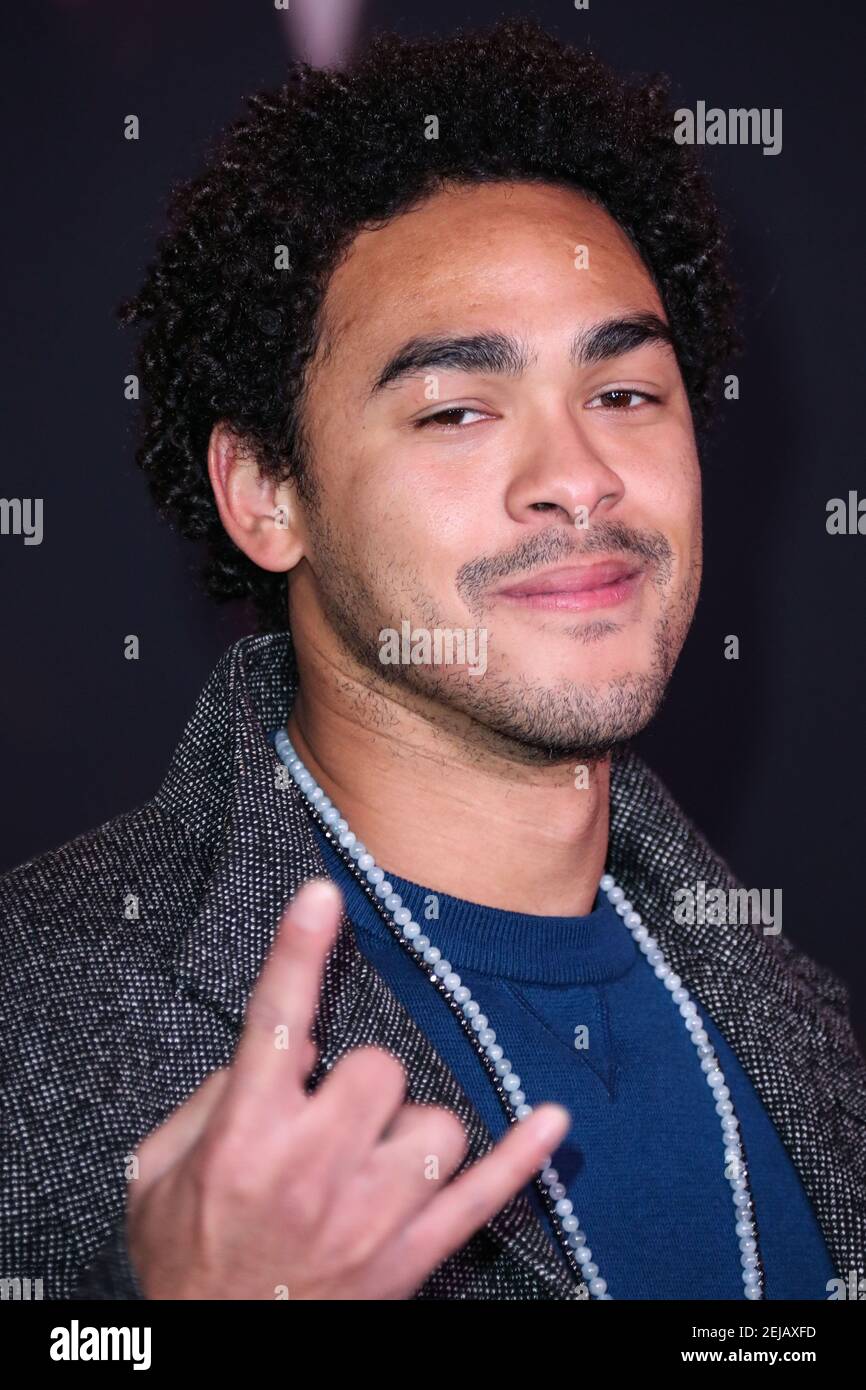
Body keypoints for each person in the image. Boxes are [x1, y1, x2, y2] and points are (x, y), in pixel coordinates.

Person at [2, 18, 864, 1302]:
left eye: (624, 392)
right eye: (457, 410)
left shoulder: (801, 1021)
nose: (577, 478)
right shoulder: (37, 1024)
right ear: (265, 494)